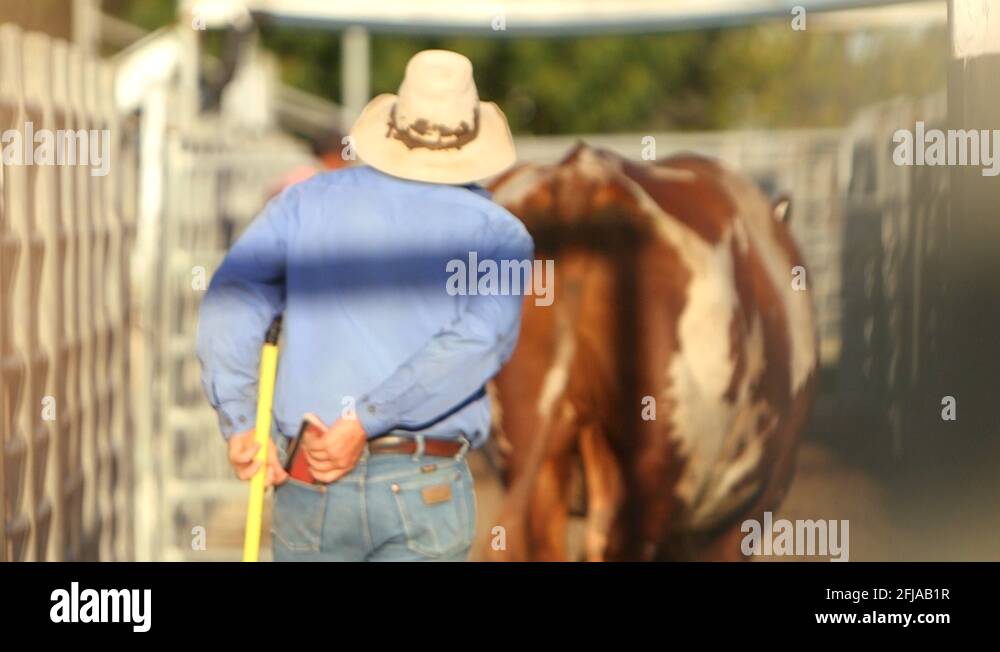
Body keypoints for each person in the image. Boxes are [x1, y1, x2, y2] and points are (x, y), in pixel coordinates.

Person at [196, 49, 531, 561]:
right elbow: (479, 341)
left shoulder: (303, 203)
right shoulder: (503, 236)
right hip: (425, 487)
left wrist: (242, 423)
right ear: (471, 139)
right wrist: (367, 420)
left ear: (393, 127)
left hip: (311, 479)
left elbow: (232, 301)